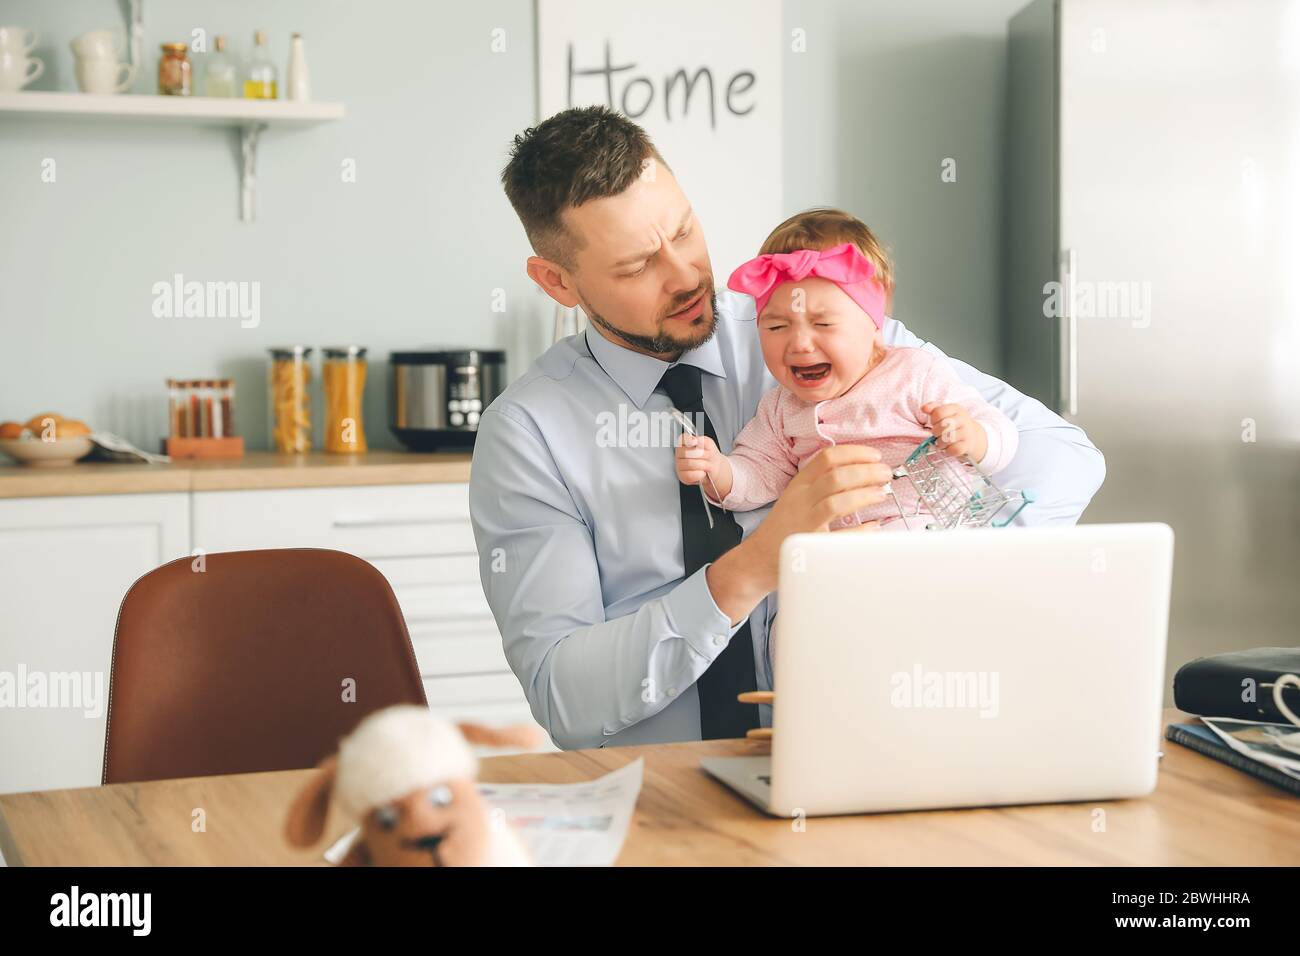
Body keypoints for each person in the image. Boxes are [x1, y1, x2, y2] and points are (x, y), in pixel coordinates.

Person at [470, 106, 1105, 750]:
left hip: (864, 749)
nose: (687, 276)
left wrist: (918, 557)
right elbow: (562, 695)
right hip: (658, 795)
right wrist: (752, 566)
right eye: (637, 267)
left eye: (685, 232)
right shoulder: (527, 435)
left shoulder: (815, 322)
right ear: (557, 281)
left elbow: (1063, 460)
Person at [676, 226, 1018, 531]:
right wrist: (718, 472)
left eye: (823, 324)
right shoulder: (781, 408)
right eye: (777, 326)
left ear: (874, 326)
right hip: (842, 563)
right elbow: (761, 473)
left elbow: (1001, 431)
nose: (799, 343)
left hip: (932, 544)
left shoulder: (915, 374)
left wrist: (974, 437)